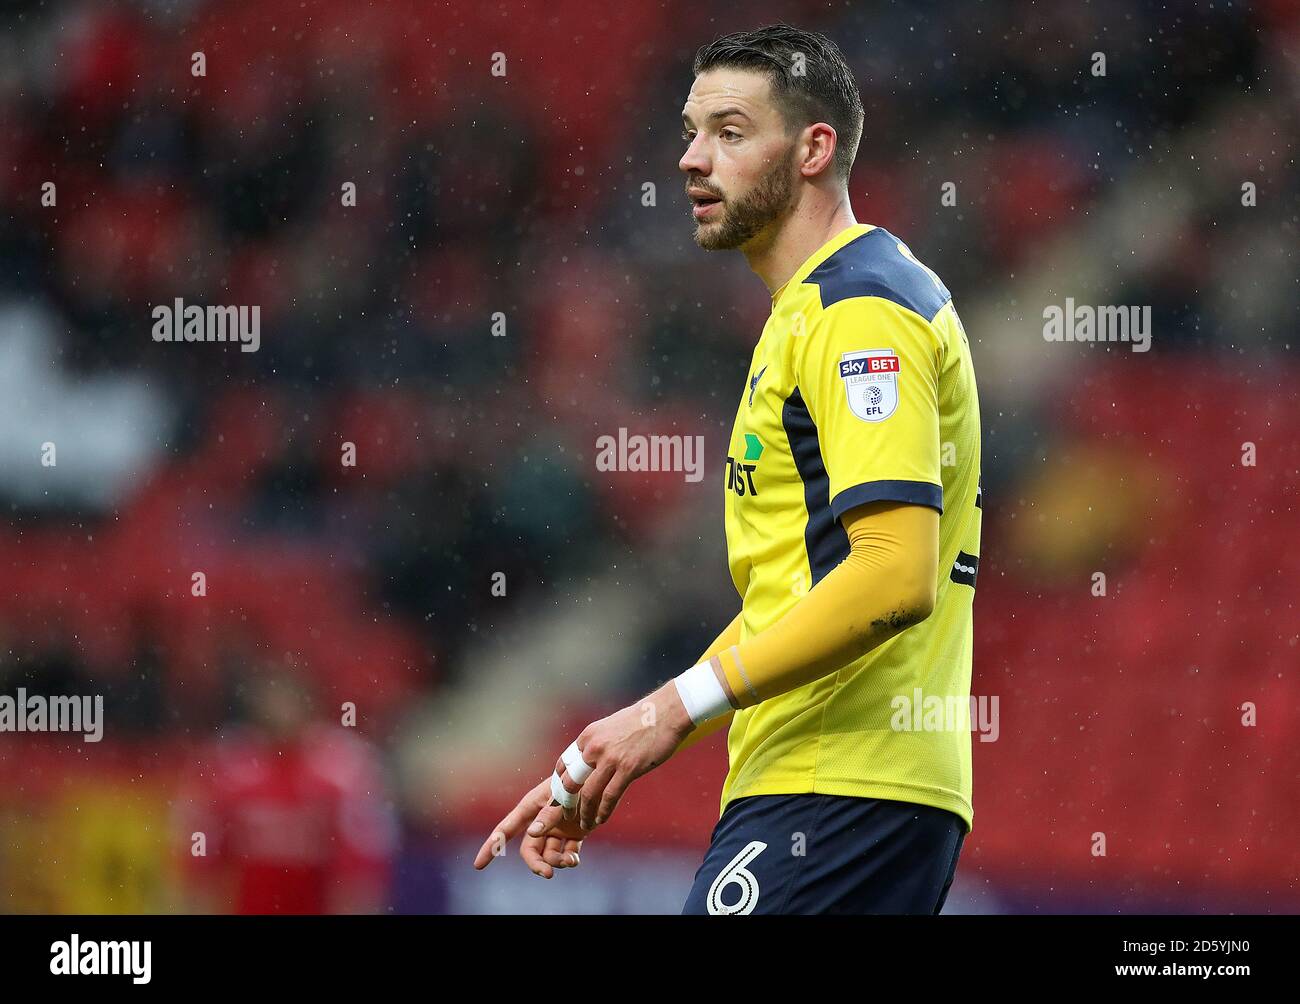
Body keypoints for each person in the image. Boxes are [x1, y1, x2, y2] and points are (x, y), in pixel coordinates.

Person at [474, 22, 983, 915]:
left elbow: (896, 574)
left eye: (732, 132)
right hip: (828, 786)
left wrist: (670, 709)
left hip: (841, 786)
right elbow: (796, 600)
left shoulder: (860, 311)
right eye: (689, 131)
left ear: (815, 148)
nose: (692, 159)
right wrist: (635, 734)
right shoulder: (806, 314)